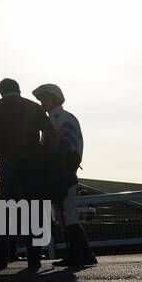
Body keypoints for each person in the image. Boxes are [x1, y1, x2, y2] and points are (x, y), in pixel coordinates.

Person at [0, 78, 51, 270]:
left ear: (1, 91)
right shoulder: (34, 107)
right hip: (32, 165)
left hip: (8, 165)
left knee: (4, 210)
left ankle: (1, 258)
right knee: (34, 210)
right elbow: (50, 132)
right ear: (19, 90)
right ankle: (34, 258)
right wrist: (41, 154)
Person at [32, 84, 97, 268]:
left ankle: (84, 254)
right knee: (63, 214)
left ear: (53, 99)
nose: (41, 102)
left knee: (67, 213)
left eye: (44, 98)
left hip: (63, 172)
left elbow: (66, 149)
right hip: (61, 172)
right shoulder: (57, 118)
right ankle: (77, 254)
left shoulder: (63, 118)